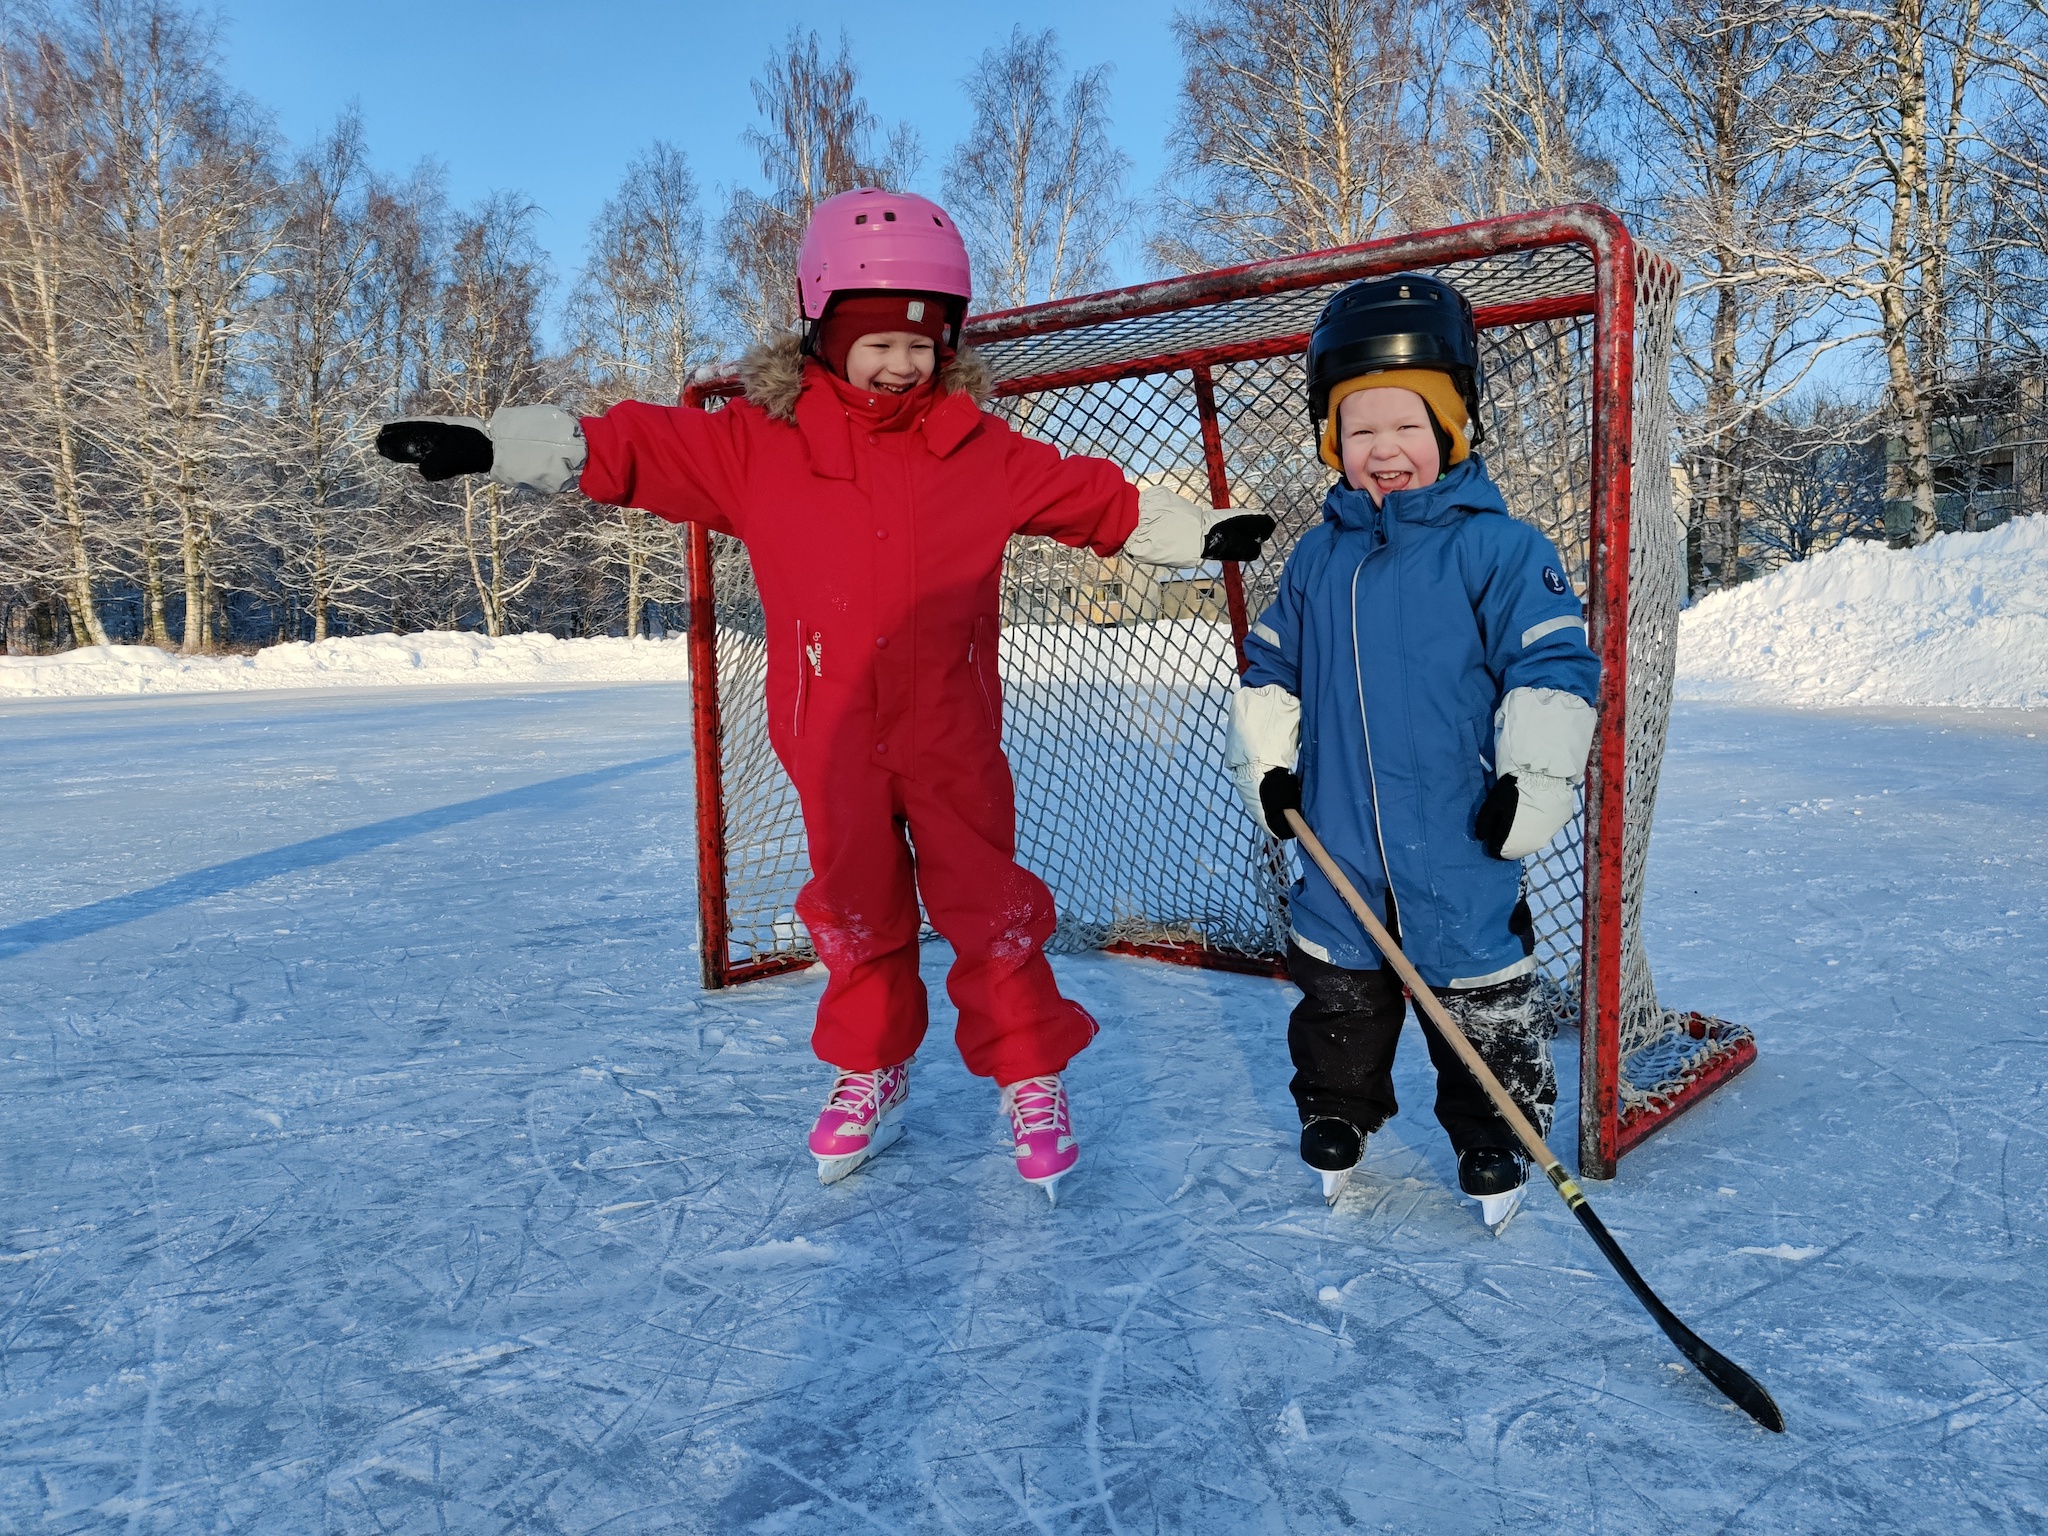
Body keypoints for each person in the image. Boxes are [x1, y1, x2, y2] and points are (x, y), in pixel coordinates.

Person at [376, 188, 1272, 1202]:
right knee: (855, 912)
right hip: (831, 737)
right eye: (875, 340)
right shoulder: (757, 446)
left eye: (923, 344)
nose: (900, 363)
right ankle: (872, 1067)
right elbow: (622, 447)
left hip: (949, 737)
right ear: (823, 329)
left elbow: (1094, 501)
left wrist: (1201, 533)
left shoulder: (980, 451)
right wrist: (492, 447)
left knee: (992, 912)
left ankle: (1030, 1077)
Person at [1222, 273, 1599, 1228]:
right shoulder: (1318, 557)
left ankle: (1494, 1132)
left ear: (1453, 430)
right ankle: (1338, 1112)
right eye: (1359, 432)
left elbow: (1552, 663)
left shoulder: (1502, 549)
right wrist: (1269, 762)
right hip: (1342, 824)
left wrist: (1535, 778)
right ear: (1331, 445)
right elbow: (1270, 665)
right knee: (1339, 984)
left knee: (1475, 981)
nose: (1383, 450)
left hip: (1456, 827)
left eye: (1407, 427)